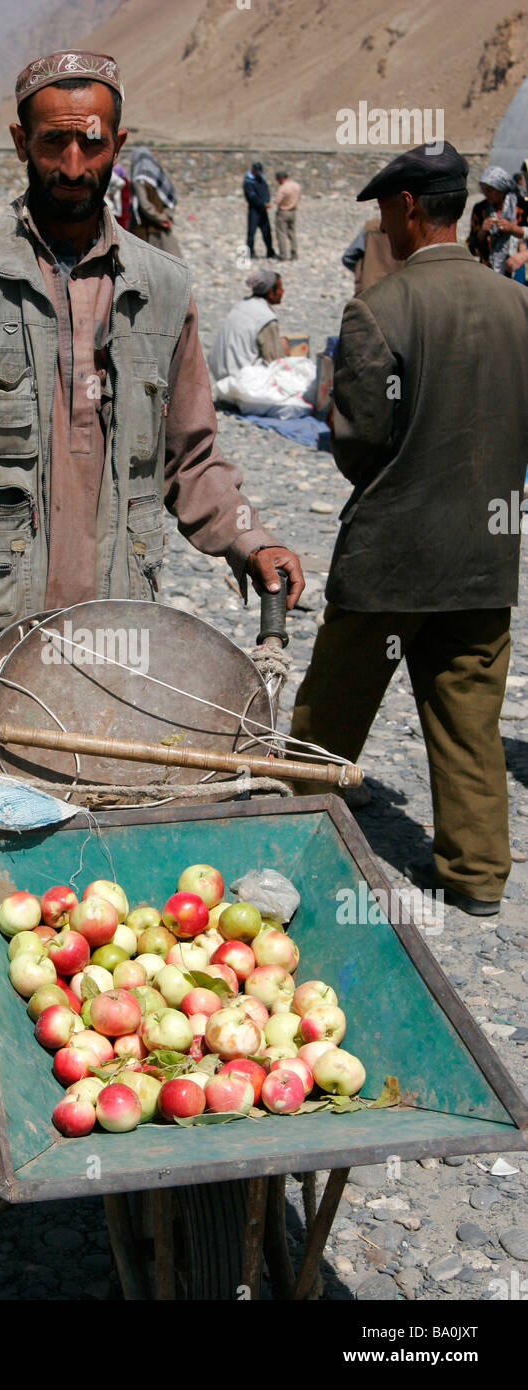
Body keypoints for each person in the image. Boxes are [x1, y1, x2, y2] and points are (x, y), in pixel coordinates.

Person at [0, 49, 305, 1119]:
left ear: (116, 142)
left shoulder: (163, 287)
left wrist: (245, 538)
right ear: (20, 144)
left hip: (119, 644)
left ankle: (107, 1068)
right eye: (52, 138)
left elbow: (193, 457)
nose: (73, 157)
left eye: (92, 138)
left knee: (114, 870)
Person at [289, 141, 528, 917]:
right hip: (485, 557)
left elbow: (357, 440)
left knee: (329, 716)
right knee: (469, 721)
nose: (382, 222)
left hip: (391, 559)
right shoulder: (516, 304)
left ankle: (287, 834)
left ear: (407, 209)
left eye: (385, 209)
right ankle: (478, 875)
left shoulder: (378, 309)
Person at [207, 268, 286, 378]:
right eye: (280, 288)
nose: (283, 291)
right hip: (244, 380)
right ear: (270, 292)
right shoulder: (266, 318)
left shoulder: (241, 306)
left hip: (221, 375)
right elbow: (276, 362)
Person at [467, 165, 524, 273]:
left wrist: (513, 229)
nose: (486, 194)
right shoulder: (480, 209)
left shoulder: (521, 206)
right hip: (488, 271)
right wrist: (482, 231)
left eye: (489, 190)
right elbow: (472, 249)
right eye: (484, 191)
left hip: (516, 270)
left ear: (501, 188)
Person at [128, 144, 181, 255]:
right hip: (162, 224)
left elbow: (144, 204)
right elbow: (170, 198)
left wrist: (159, 218)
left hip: (145, 227)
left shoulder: (138, 177)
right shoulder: (158, 173)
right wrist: (166, 217)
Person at [341, 217, 404, 292]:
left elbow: (348, 257)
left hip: (369, 290)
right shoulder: (414, 231)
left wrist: (363, 272)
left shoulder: (371, 227)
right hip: (400, 291)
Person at [243, 160, 275, 259]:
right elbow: (252, 197)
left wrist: (267, 201)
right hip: (254, 210)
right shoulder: (248, 182)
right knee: (251, 233)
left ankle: (270, 251)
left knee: (267, 231)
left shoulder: (261, 179)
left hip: (263, 209)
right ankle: (250, 252)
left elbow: (266, 191)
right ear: (253, 170)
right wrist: (262, 204)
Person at [274, 170, 300, 260]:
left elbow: (277, 201)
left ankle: (283, 255)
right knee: (292, 234)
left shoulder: (283, 188)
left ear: (281, 178)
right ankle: (294, 254)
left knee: (281, 234)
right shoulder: (296, 185)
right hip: (293, 211)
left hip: (283, 211)